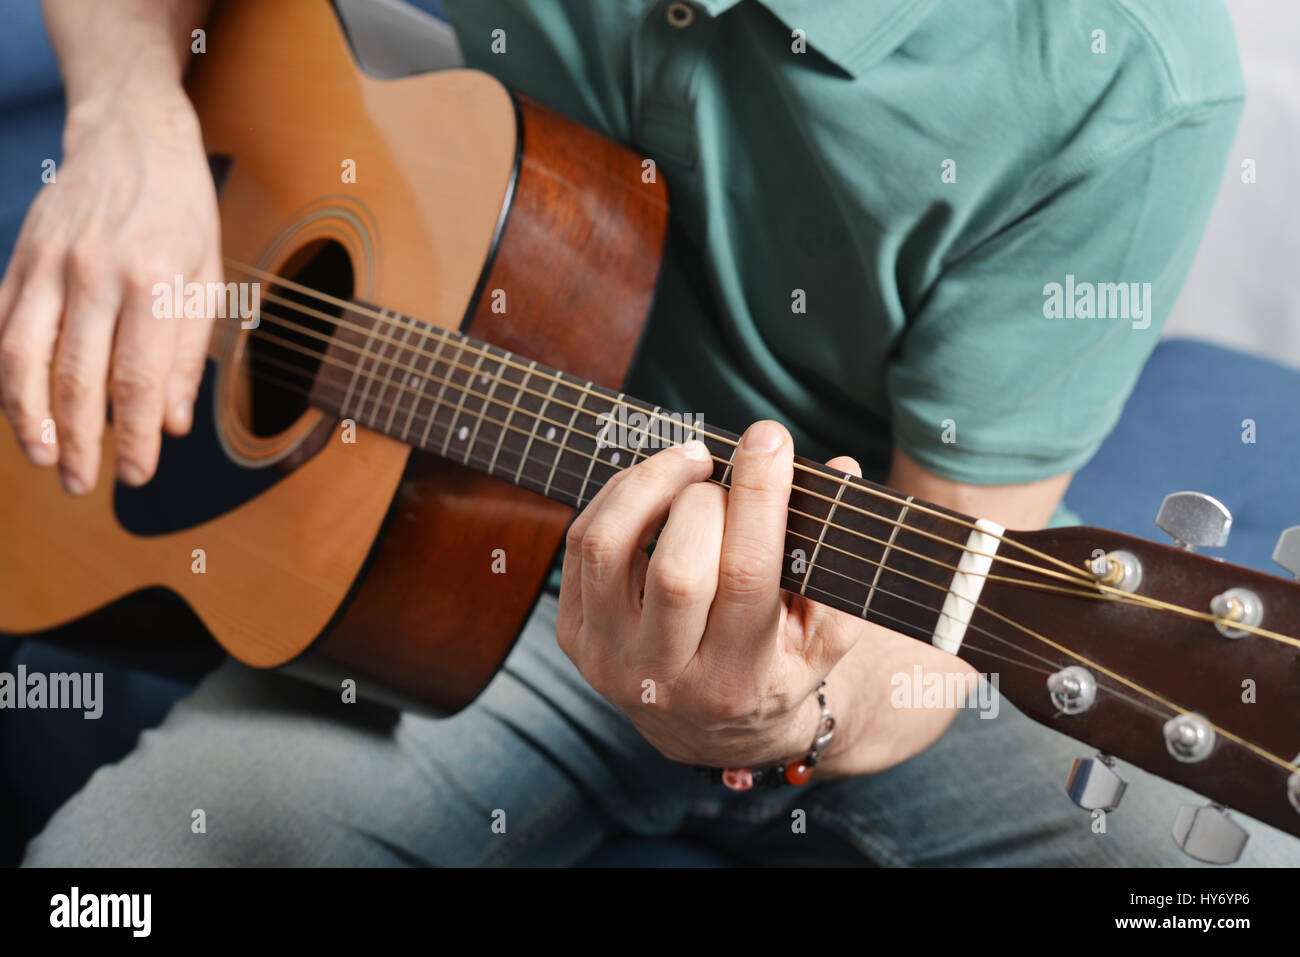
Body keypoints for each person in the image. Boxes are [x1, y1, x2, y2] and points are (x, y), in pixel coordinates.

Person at [6, 0, 1294, 866]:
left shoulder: (1129, 71)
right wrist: (128, 119)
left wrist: (793, 715)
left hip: (863, 593)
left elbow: (960, 552)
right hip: (442, 564)